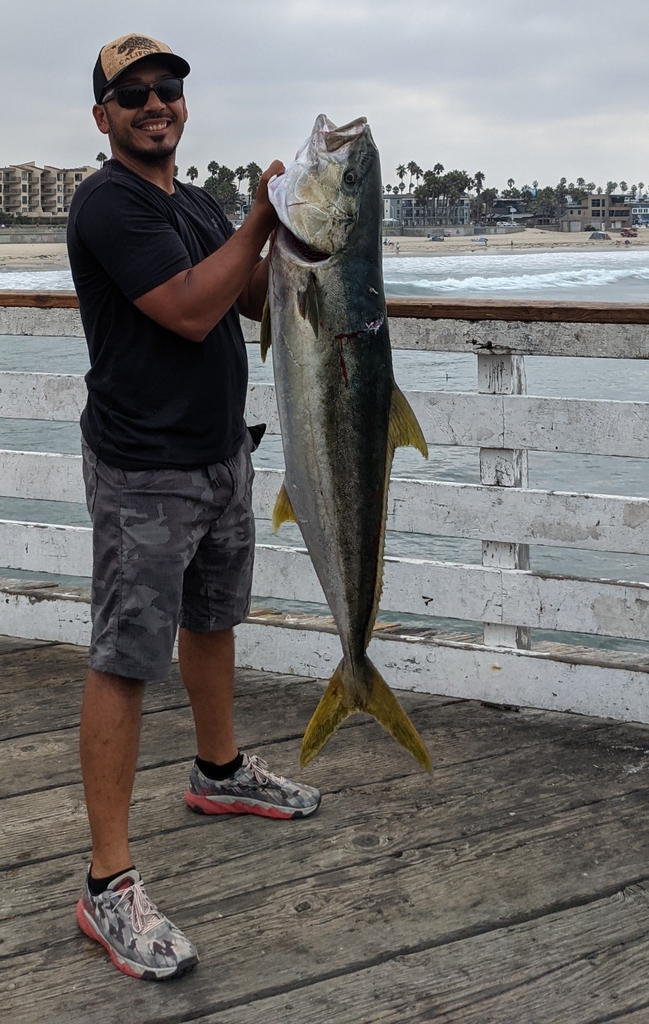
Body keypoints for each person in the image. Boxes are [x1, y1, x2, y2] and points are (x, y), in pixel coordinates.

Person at [67, 33, 321, 982]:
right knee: (125, 659)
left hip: (221, 456)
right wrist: (261, 217)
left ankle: (218, 774)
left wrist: (308, 246)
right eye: (130, 94)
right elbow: (183, 308)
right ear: (104, 117)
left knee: (212, 620)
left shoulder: (197, 201)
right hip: (144, 471)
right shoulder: (108, 203)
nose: (154, 103)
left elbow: (250, 300)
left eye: (167, 87)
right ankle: (107, 884)